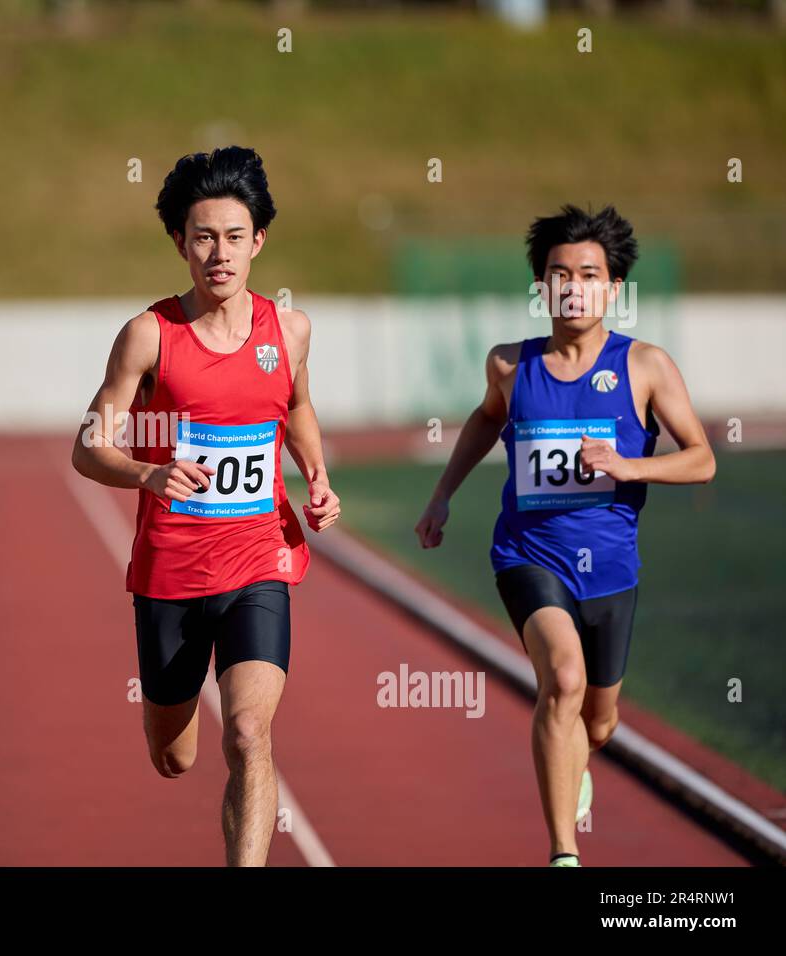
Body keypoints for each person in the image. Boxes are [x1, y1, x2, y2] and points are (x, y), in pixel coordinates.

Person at [414, 204, 715, 866]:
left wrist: (627, 465)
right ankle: (562, 854)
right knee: (565, 679)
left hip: (610, 568)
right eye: (558, 273)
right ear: (540, 285)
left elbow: (702, 458)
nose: (573, 286)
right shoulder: (508, 365)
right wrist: (442, 496)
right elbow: (485, 420)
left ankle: (574, 763)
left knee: (598, 722)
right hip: (527, 554)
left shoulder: (646, 367)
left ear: (613, 287)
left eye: (588, 273)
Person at [71, 146, 340, 866]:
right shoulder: (150, 337)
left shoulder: (289, 331)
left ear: (259, 241)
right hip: (171, 577)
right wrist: (145, 476)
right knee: (176, 757)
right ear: (181, 244)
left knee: (249, 734)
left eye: (233, 236)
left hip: (260, 560)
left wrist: (315, 472)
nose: (218, 254)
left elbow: (300, 406)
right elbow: (85, 448)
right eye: (203, 238)